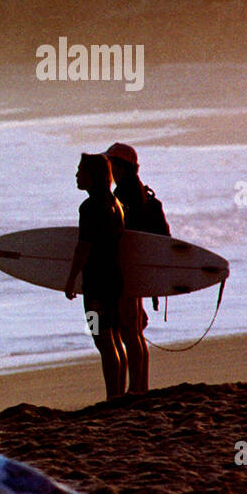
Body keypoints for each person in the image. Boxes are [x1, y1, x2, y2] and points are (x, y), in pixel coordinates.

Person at [105, 142, 170, 394]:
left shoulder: (123, 196)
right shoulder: (143, 194)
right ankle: (140, 386)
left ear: (119, 166)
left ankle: (135, 389)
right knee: (134, 329)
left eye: (110, 164)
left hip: (126, 272)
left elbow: (122, 239)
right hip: (139, 272)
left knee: (129, 330)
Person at [64, 152, 127, 399]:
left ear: (92, 175)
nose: (77, 175)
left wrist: (71, 279)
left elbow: (84, 247)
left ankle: (113, 396)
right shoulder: (117, 204)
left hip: (95, 284)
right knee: (112, 337)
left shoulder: (89, 207)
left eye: (80, 170)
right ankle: (118, 394)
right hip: (114, 279)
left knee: (101, 340)